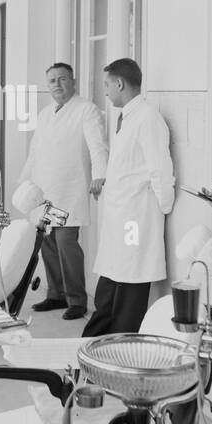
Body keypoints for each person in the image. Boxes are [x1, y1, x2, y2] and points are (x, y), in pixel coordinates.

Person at [85, 58, 174, 336]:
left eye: (107, 85)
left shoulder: (148, 118)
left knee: (129, 288)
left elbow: (160, 169)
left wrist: (164, 205)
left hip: (135, 218)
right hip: (121, 215)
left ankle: (118, 349)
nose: (106, 91)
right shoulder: (127, 117)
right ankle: (91, 345)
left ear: (120, 84)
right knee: (111, 286)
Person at [19, 63, 108, 320]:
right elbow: (35, 151)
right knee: (47, 242)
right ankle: (56, 294)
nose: (57, 85)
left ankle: (77, 300)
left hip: (70, 189)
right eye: (52, 81)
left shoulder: (86, 109)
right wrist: (24, 180)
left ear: (73, 81)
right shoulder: (46, 113)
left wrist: (100, 174)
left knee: (66, 242)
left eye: (62, 79)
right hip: (45, 189)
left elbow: (97, 145)